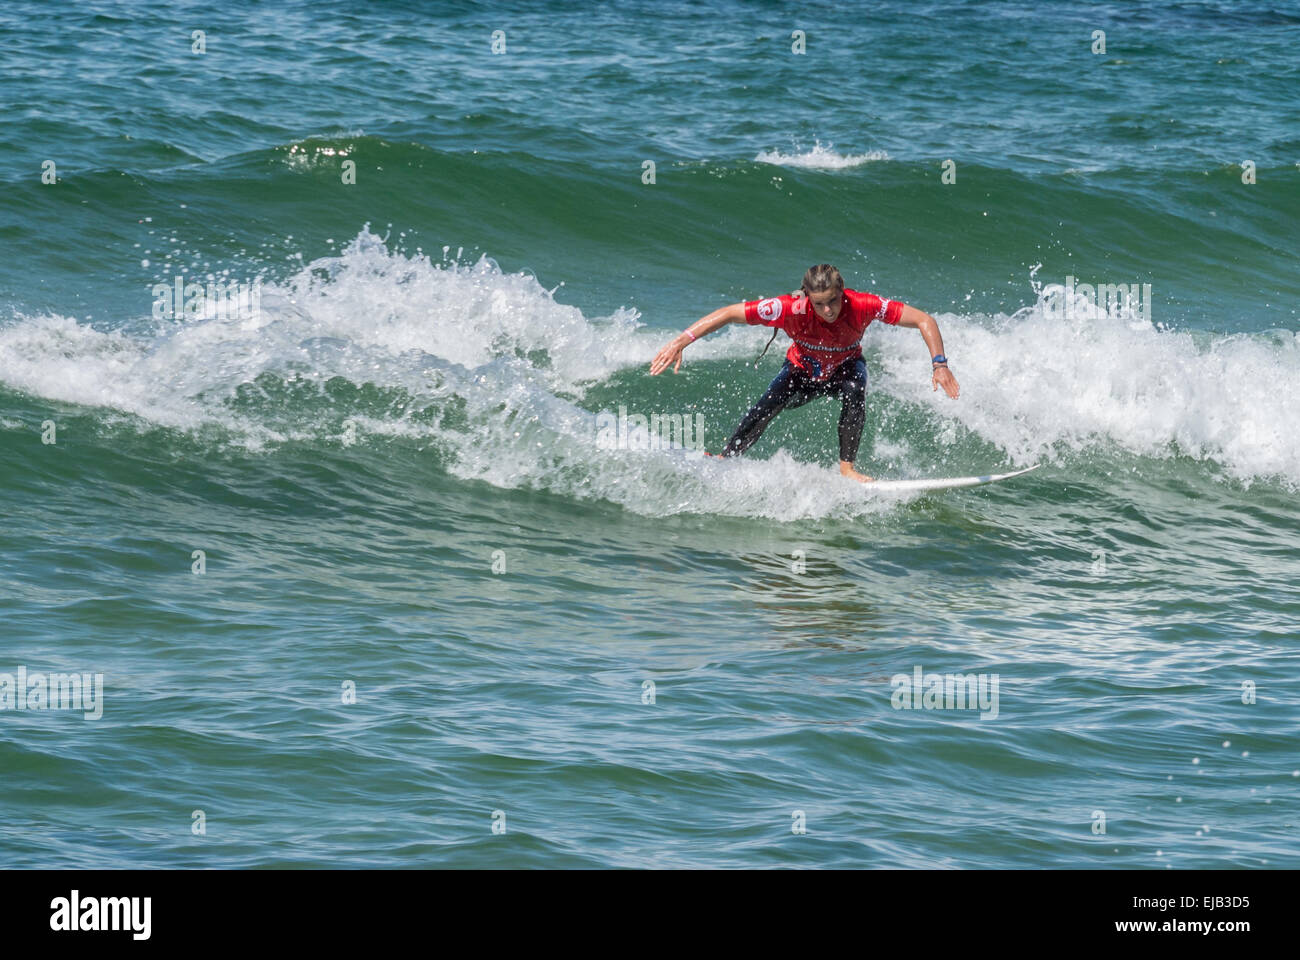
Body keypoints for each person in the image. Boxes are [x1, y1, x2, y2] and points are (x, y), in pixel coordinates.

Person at [649, 264, 960, 482]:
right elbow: (730, 313)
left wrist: (940, 364)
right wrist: (681, 341)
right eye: (820, 304)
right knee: (769, 404)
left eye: (834, 301)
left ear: (843, 291)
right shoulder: (787, 308)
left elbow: (924, 319)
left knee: (856, 389)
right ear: (807, 297)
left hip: (844, 367)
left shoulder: (864, 304)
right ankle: (727, 457)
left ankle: (847, 469)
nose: (828, 310)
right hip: (802, 370)